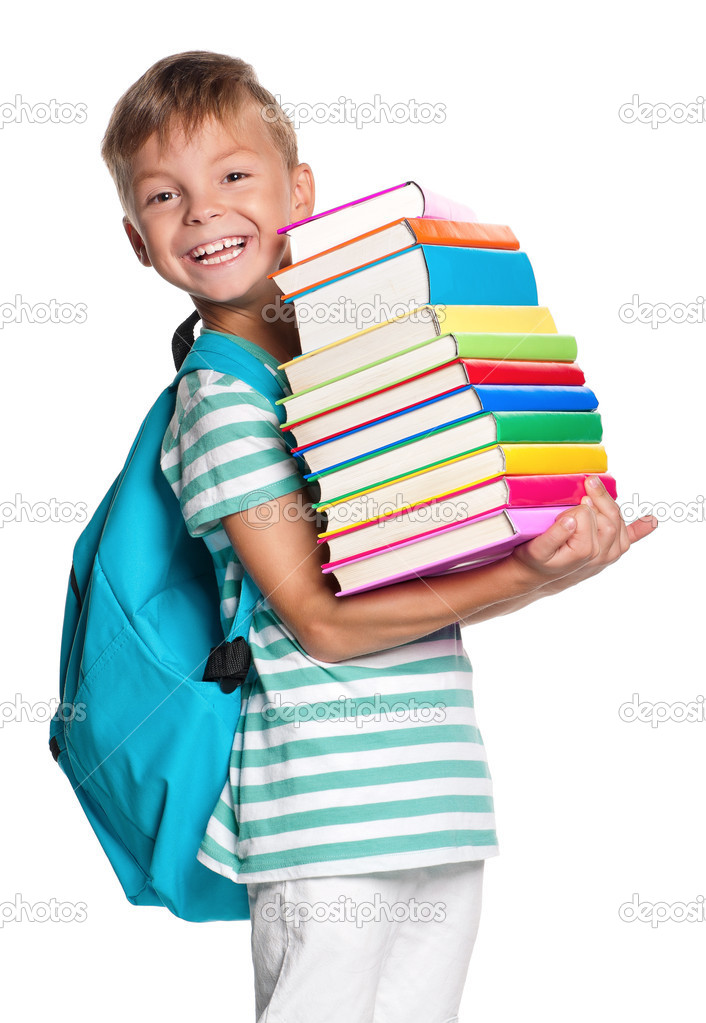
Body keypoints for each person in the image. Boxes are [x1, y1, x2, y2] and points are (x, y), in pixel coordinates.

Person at [100, 50, 656, 1023]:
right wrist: (527, 572)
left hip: (434, 799)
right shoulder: (223, 404)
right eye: (163, 195)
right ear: (137, 241)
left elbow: (429, 575)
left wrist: (553, 558)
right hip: (326, 820)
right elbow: (322, 625)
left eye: (233, 175)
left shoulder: (349, 377)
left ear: (298, 189)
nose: (202, 212)